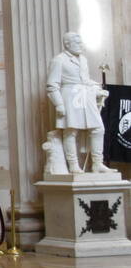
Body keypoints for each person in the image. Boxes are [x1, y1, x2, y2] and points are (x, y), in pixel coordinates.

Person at [46, 31, 111, 174]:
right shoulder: (59, 60)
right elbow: (52, 85)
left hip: (86, 97)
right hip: (70, 97)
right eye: (77, 43)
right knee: (71, 131)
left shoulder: (83, 59)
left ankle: (97, 163)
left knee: (98, 128)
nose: (80, 45)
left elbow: (85, 80)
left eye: (81, 42)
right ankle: (73, 165)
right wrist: (59, 104)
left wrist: (97, 88)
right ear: (67, 44)